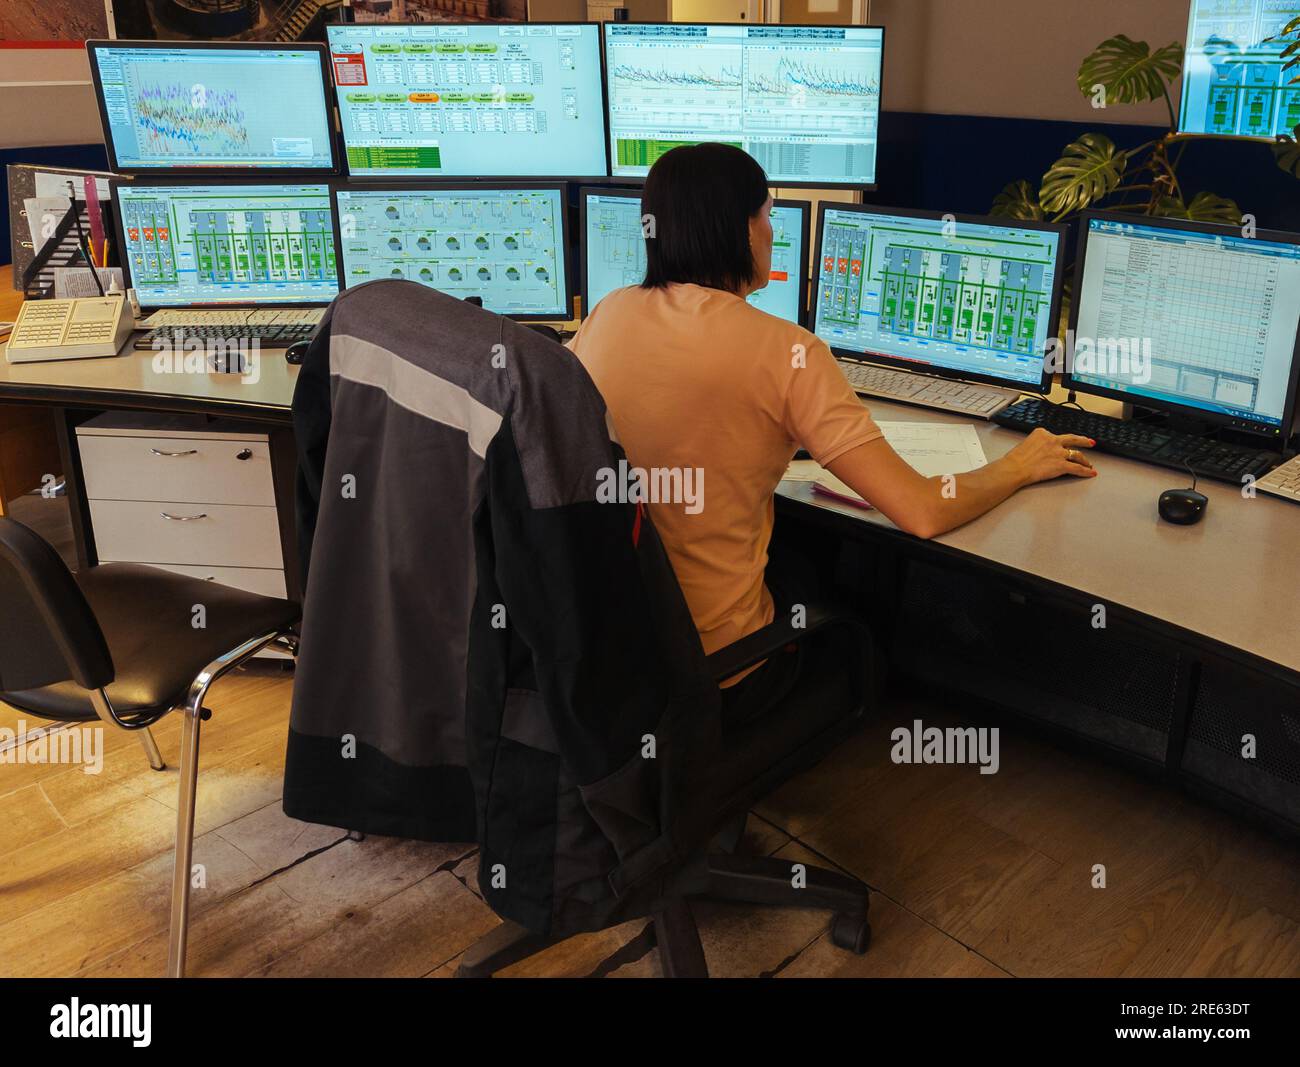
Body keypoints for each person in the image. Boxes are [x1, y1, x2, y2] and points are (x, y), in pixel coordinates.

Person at [567, 143, 1095, 722]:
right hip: (721, 673)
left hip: (607, 649)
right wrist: (1020, 464)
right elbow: (921, 511)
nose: (771, 230)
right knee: (849, 578)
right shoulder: (788, 352)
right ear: (742, 230)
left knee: (805, 543)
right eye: (766, 215)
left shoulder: (607, 314)